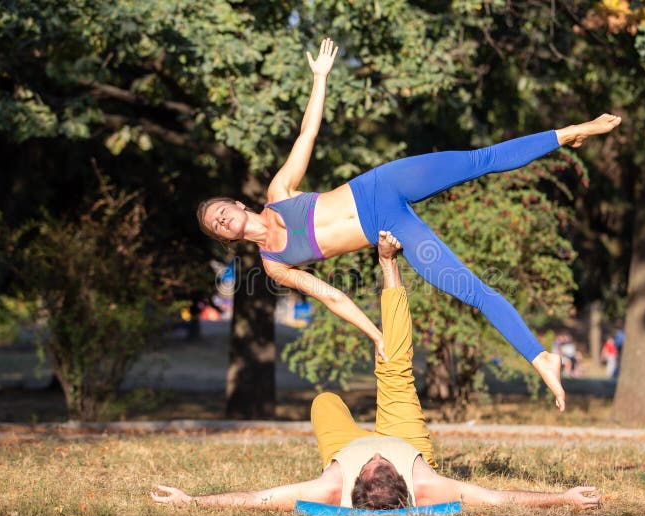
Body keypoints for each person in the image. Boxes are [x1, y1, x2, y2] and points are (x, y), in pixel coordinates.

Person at [196, 38, 623, 411]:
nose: (222, 219)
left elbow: (307, 134)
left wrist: (320, 77)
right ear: (224, 237)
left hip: (383, 183)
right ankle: (541, 357)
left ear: (237, 204)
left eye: (221, 210)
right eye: (216, 225)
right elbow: (332, 297)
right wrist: (376, 335)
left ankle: (568, 133)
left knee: (480, 160)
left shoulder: (278, 193)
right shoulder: (274, 264)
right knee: (470, 288)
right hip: (391, 225)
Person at [151, 231, 601, 511]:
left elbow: (258, 499)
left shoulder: (331, 486)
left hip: (343, 445)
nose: (379, 461)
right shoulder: (423, 482)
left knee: (325, 401)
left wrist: (193, 501)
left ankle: (384, 278)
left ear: (357, 483)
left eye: (372, 470)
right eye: (388, 470)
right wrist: (562, 498)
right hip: (408, 438)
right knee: (394, 364)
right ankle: (388, 264)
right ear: (402, 483)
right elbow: (497, 498)